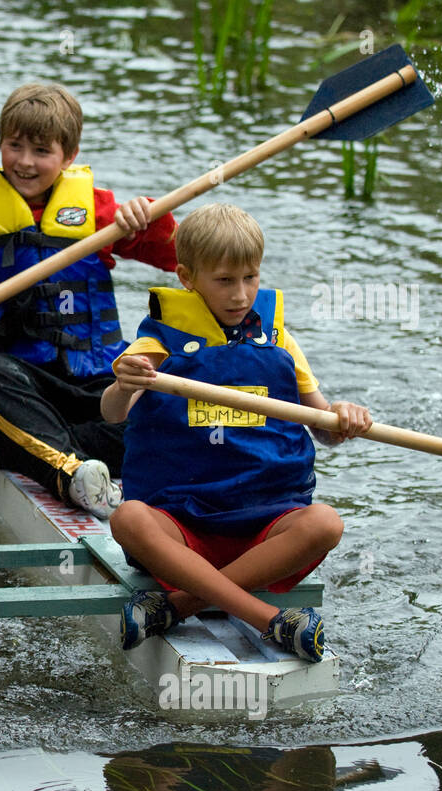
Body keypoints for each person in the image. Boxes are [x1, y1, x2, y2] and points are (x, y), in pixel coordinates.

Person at [100, 203, 372, 661]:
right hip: (183, 524)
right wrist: (124, 381)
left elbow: (323, 427)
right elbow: (112, 412)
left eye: (251, 278)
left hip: (263, 523)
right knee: (127, 518)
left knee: (326, 522)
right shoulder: (159, 342)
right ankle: (270, 620)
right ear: (187, 277)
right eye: (224, 281)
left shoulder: (280, 341)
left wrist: (344, 417)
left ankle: (178, 605)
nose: (241, 295)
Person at [0, 82, 178, 517]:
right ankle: (72, 475)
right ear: (0, 145)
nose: (25, 162)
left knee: (163, 420)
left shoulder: (100, 211)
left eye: (41, 151)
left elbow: (178, 257)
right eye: (14, 146)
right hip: (19, 380)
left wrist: (148, 218)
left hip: (95, 380)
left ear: (68, 157)